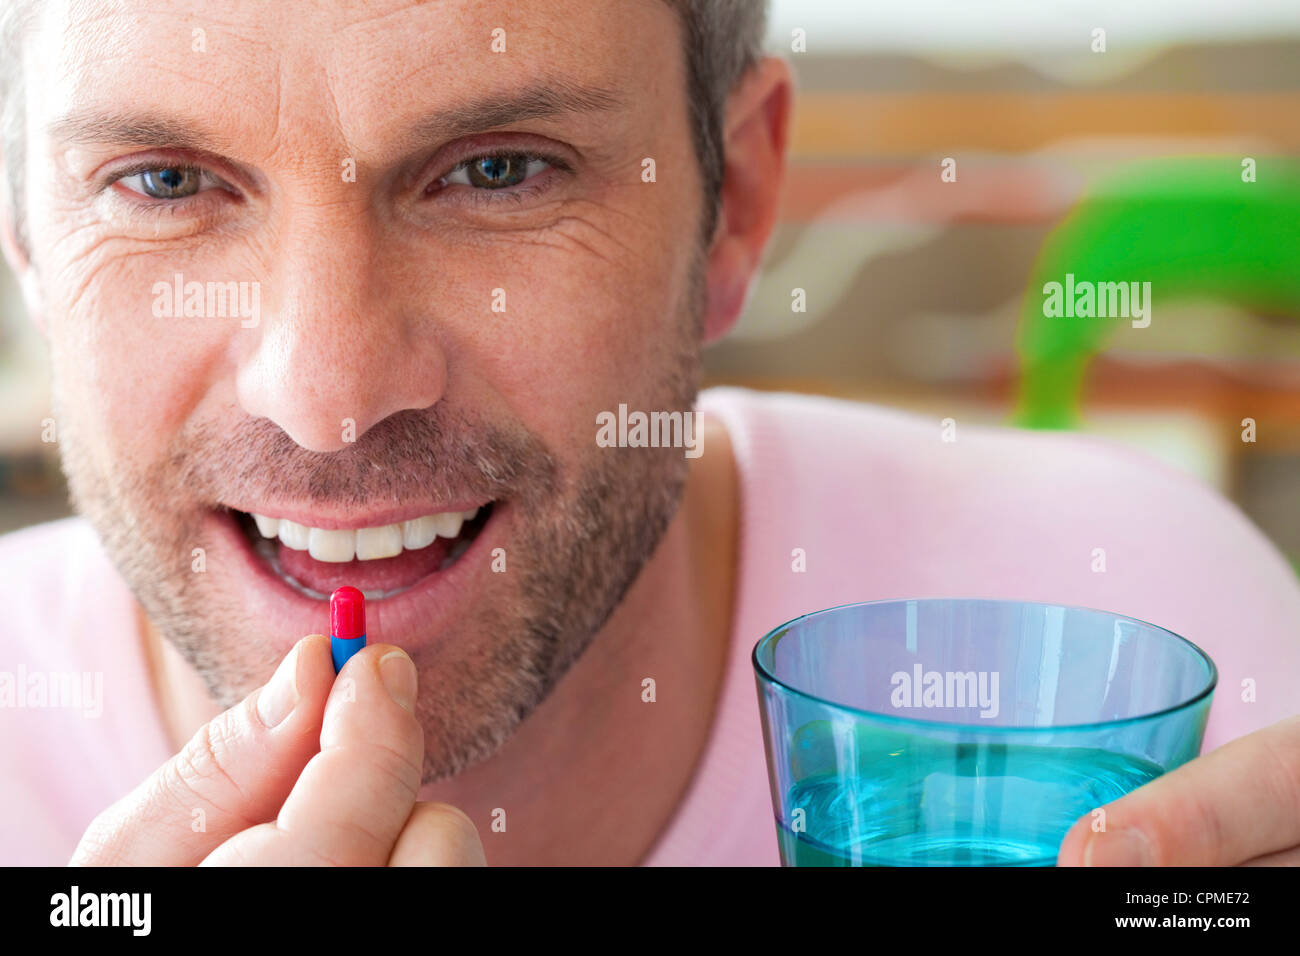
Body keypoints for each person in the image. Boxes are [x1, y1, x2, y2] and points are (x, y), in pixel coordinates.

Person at [0, 0, 1296, 867]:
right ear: (24, 246)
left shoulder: (1154, 637)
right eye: (163, 182)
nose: (329, 399)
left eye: (498, 170)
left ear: (735, 206)